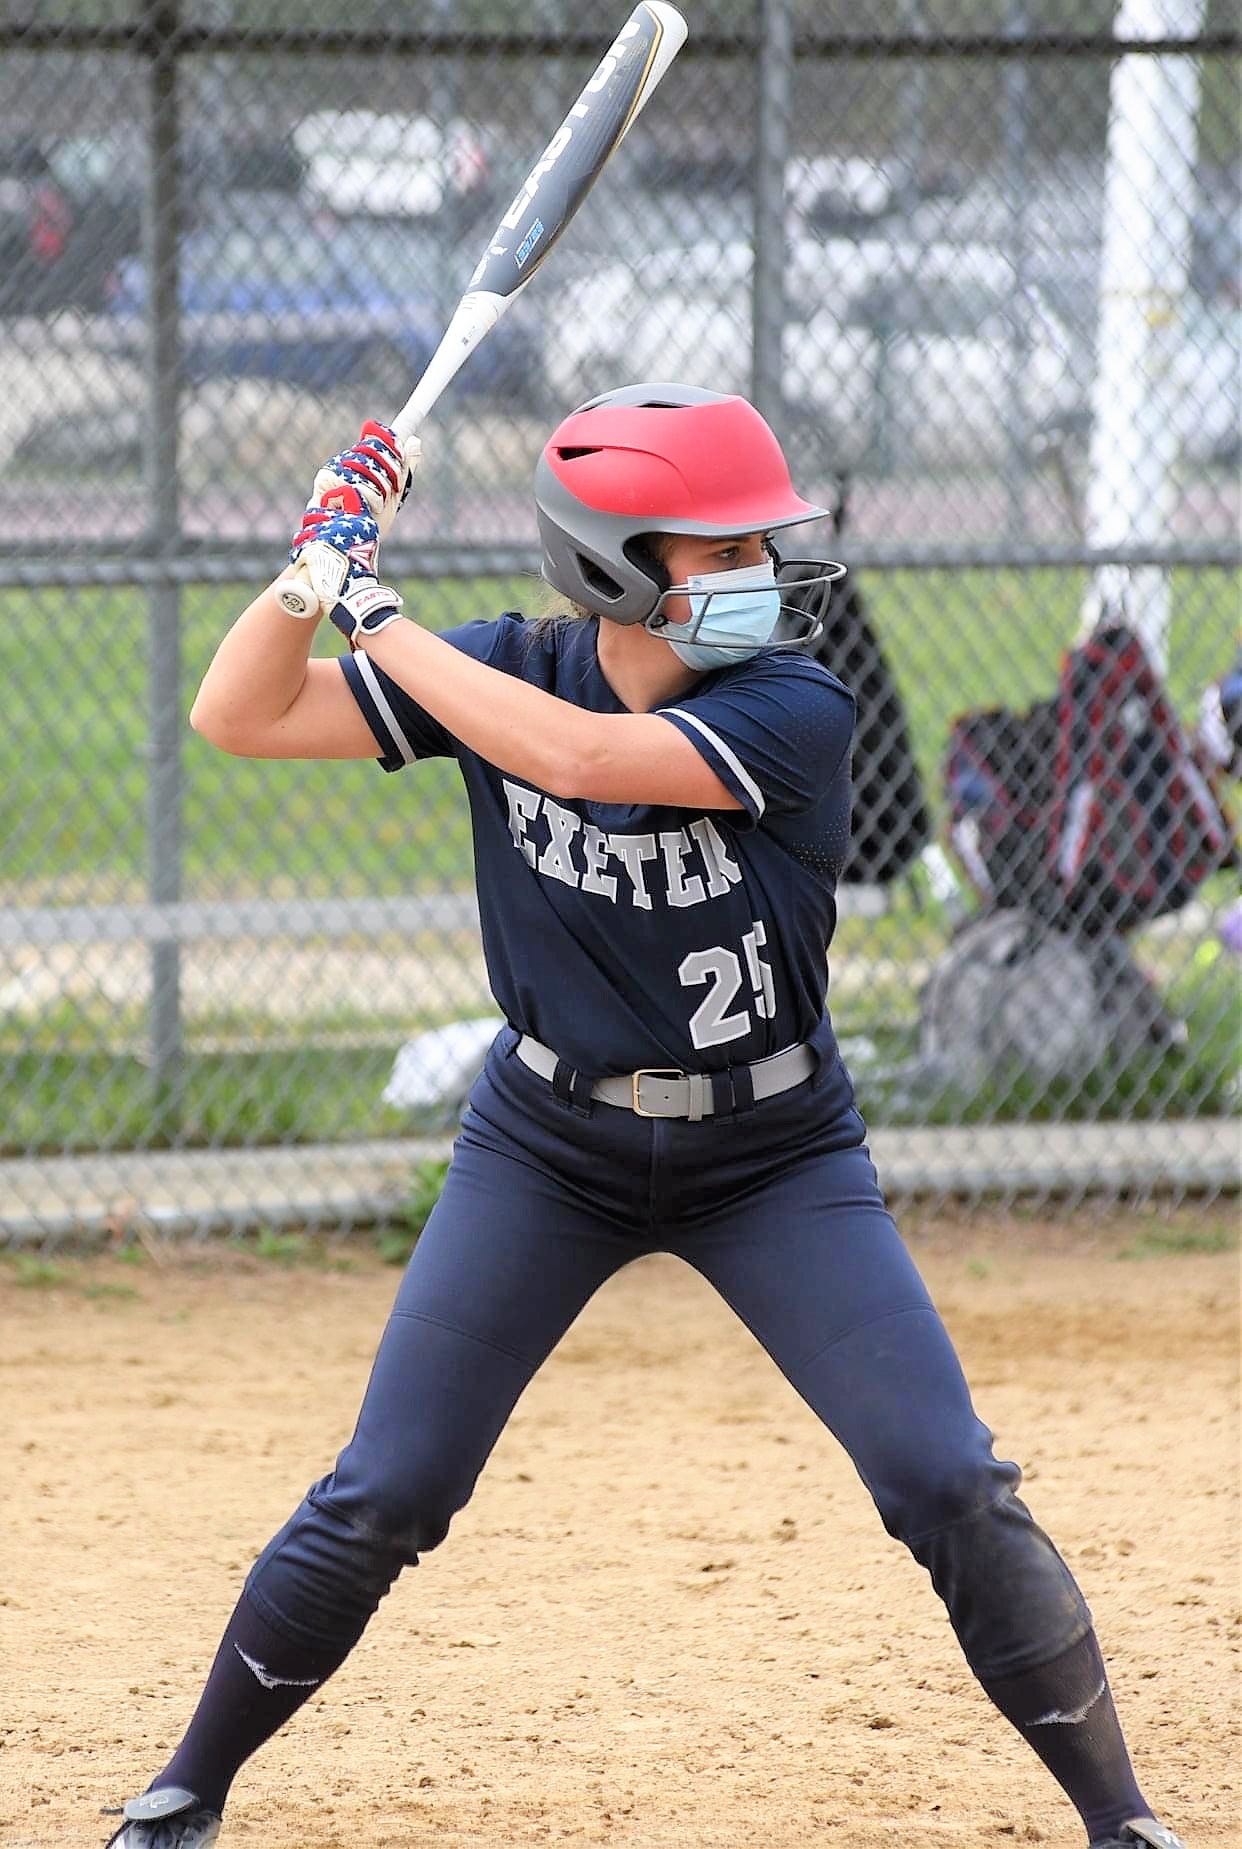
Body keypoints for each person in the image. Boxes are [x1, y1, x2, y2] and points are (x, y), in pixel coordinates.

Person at [104, 386, 1186, 1849]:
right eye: (718, 551)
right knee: (389, 1486)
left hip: (774, 1154)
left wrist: (374, 606)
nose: (760, 573)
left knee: (943, 1474)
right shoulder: (508, 663)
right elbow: (235, 711)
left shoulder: (793, 704)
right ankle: (182, 1794)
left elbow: (577, 760)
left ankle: (1122, 1821)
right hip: (545, 1146)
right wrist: (310, 573)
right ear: (615, 567)